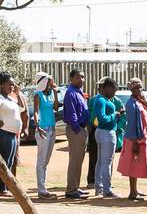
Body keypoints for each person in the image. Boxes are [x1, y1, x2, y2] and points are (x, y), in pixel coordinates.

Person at [0, 73, 26, 196]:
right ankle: (3, 189)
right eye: (9, 84)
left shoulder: (10, 99)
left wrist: (18, 93)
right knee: (4, 163)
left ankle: (6, 187)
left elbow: (22, 109)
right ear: (1, 85)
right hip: (3, 135)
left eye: (13, 84)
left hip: (12, 136)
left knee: (10, 162)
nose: (12, 86)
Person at [118, 77, 147, 201]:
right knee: (133, 165)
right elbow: (132, 124)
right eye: (137, 88)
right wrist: (134, 143)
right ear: (132, 89)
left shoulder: (139, 102)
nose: (140, 90)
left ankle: (135, 190)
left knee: (137, 165)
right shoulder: (131, 104)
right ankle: (132, 192)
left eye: (141, 87)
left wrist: (146, 103)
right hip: (134, 139)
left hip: (142, 139)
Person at [30, 72, 61, 199]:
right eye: (48, 81)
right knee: (41, 160)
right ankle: (41, 190)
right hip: (43, 129)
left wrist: (55, 92)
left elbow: (55, 107)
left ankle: (43, 188)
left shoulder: (49, 94)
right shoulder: (38, 95)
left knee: (45, 161)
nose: (50, 83)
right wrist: (38, 126)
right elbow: (36, 112)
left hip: (52, 129)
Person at [89, 77, 120, 198]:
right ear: (107, 88)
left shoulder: (101, 99)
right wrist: (115, 114)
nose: (114, 93)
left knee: (101, 161)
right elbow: (102, 118)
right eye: (113, 90)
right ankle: (107, 190)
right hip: (107, 132)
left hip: (102, 132)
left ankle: (99, 188)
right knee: (106, 162)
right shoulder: (101, 100)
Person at [62, 69, 91, 200]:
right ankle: (71, 190)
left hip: (81, 129)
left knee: (78, 160)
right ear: (71, 79)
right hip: (76, 130)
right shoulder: (70, 93)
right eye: (79, 77)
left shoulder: (78, 92)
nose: (82, 80)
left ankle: (75, 187)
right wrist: (77, 129)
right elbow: (72, 114)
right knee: (75, 160)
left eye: (83, 77)